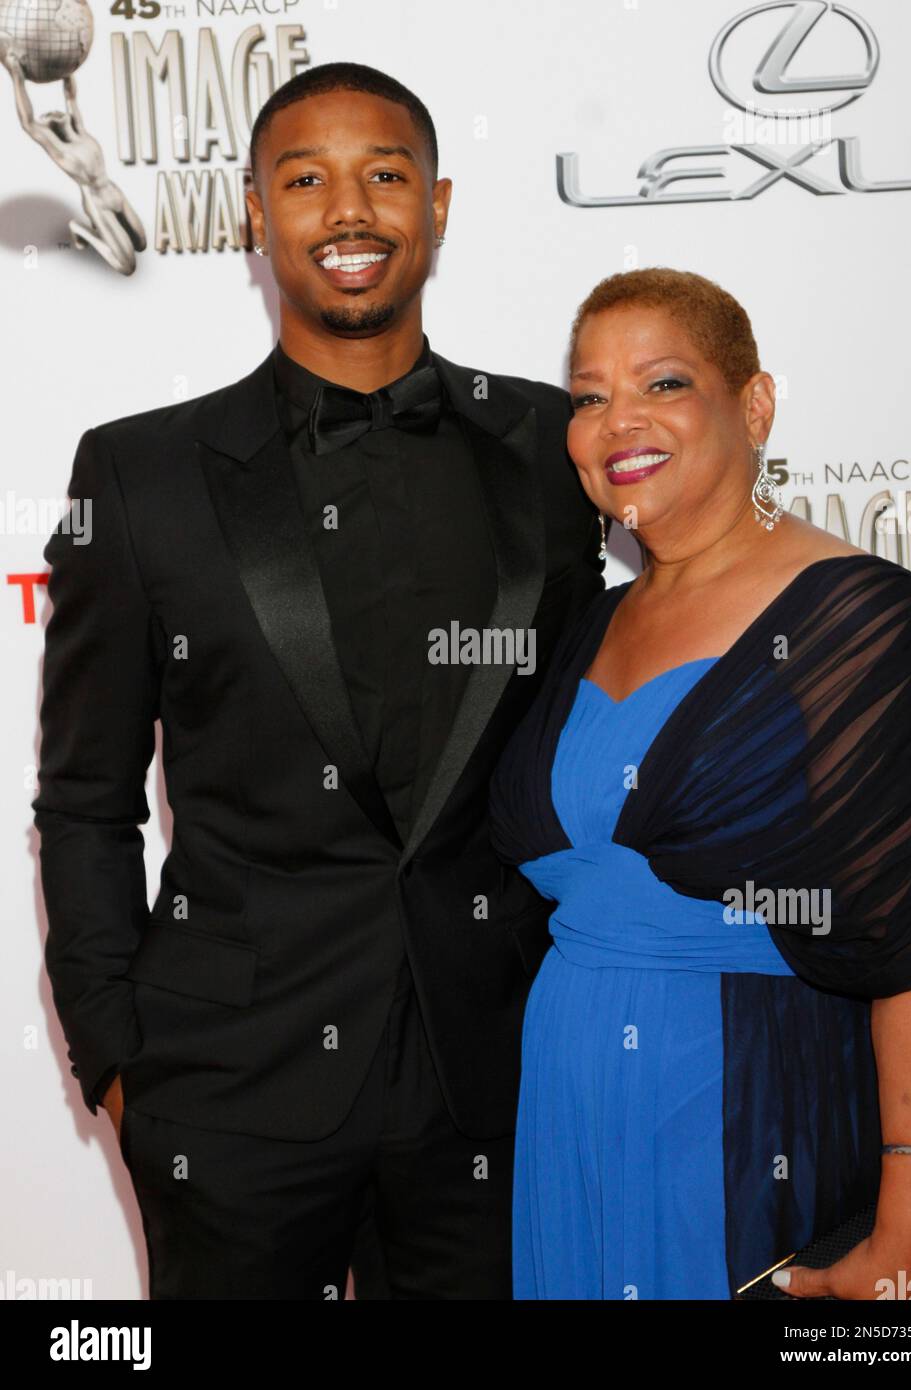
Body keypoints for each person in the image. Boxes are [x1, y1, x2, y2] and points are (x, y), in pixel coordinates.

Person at [33, 62, 604, 1300]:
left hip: (490, 1081)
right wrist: (120, 1057)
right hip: (228, 1085)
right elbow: (84, 797)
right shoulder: (139, 475)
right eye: (305, 180)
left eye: (383, 176)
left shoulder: (551, 455)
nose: (349, 211)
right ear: (252, 213)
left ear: (437, 206)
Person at [489, 267, 911, 1300]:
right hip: (568, 1113)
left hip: (753, 1104)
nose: (617, 420)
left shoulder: (859, 620)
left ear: (752, 404)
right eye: (585, 395)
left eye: (661, 383)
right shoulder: (589, 621)